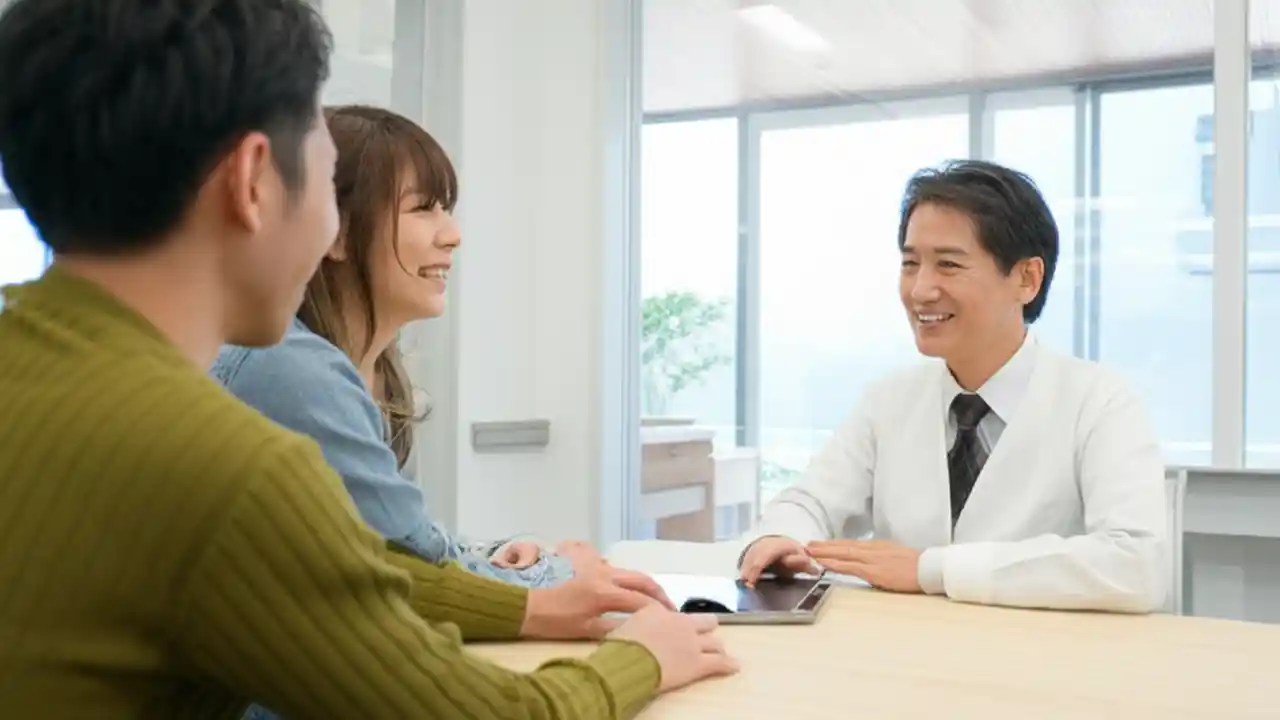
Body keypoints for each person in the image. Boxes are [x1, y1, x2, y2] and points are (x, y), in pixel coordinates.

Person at [0, 1, 736, 717]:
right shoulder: (226, 468)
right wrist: (643, 655)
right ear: (253, 181)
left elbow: (327, 577)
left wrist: (530, 606)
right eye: (324, 179)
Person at [739, 160, 1167, 614]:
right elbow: (811, 501)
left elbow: (1136, 564)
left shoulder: (1098, 402)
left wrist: (931, 569)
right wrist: (778, 539)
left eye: (948, 264)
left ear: (1026, 278)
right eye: (910, 263)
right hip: (904, 659)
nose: (921, 289)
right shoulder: (888, 401)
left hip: (1044, 662)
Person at [213, 105, 593, 589]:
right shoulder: (290, 371)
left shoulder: (372, 373)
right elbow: (414, 570)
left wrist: (497, 555)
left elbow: (410, 544)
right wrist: (561, 574)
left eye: (446, 210)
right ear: (334, 230)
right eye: (422, 209)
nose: (452, 235)